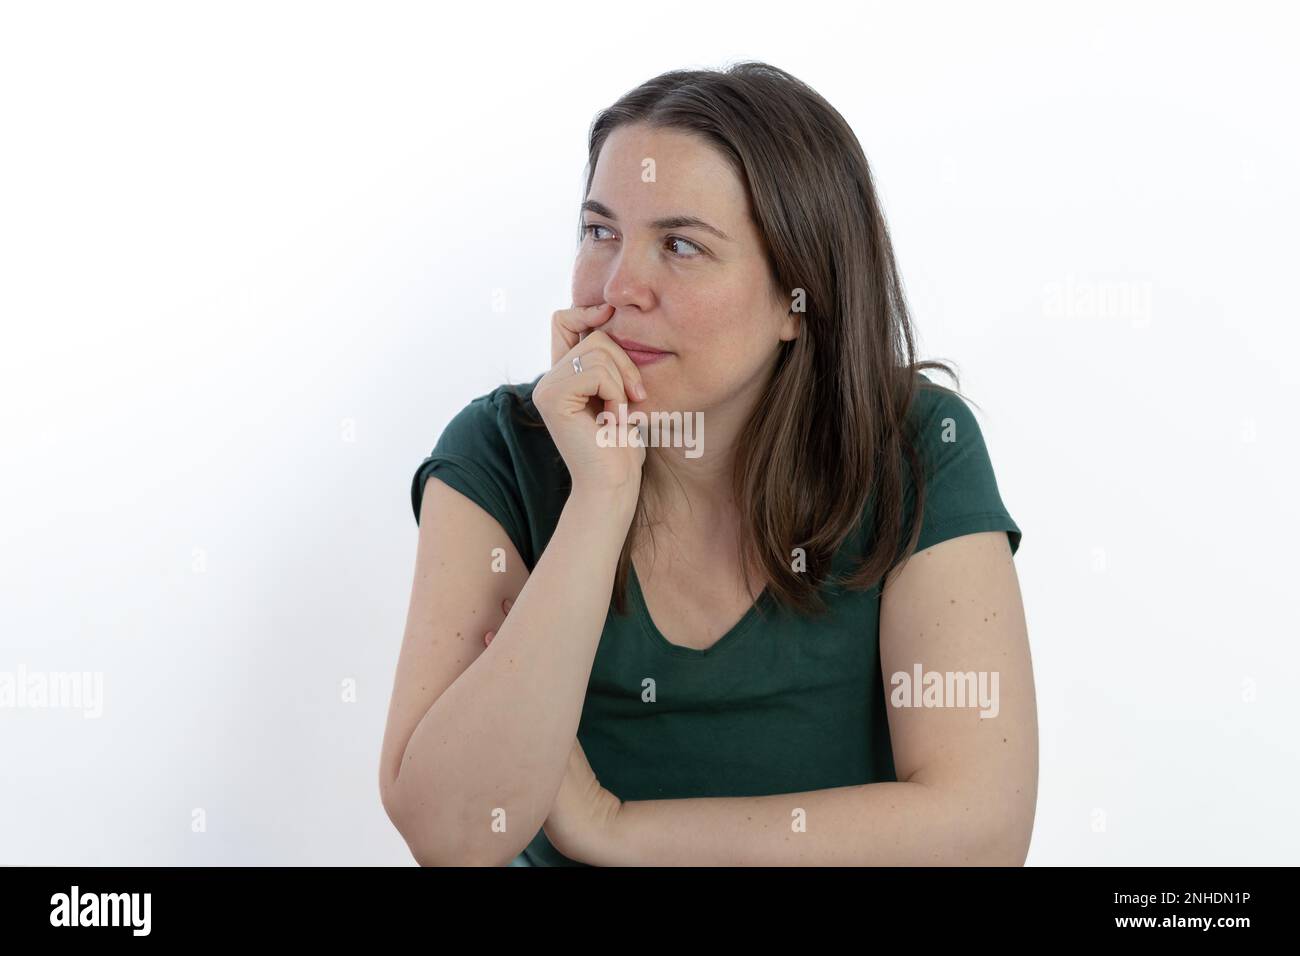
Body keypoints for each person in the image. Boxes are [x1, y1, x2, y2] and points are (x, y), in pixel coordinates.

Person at [380, 61, 1037, 866]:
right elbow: (450, 834)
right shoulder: (501, 451)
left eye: (681, 245)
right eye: (600, 231)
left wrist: (614, 831)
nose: (620, 288)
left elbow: (981, 831)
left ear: (799, 297)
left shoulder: (915, 447)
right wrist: (599, 497)